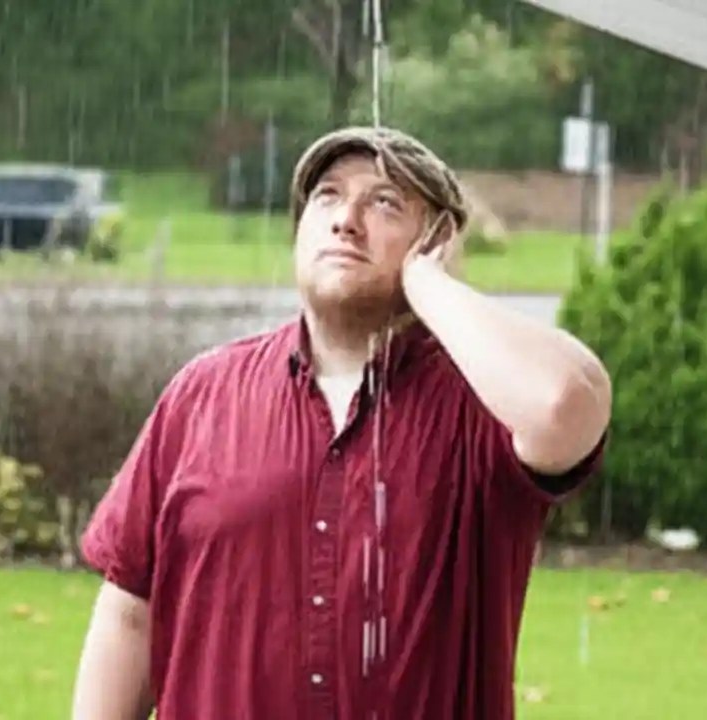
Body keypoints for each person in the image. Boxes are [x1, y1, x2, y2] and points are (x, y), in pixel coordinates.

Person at [71, 126, 612, 720]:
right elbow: (130, 611)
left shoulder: (483, 406)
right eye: (327, 196)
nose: (346, 221)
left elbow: (564, 403)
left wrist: (430, 286)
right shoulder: (201, 395)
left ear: (437, 242)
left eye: (385, 202)